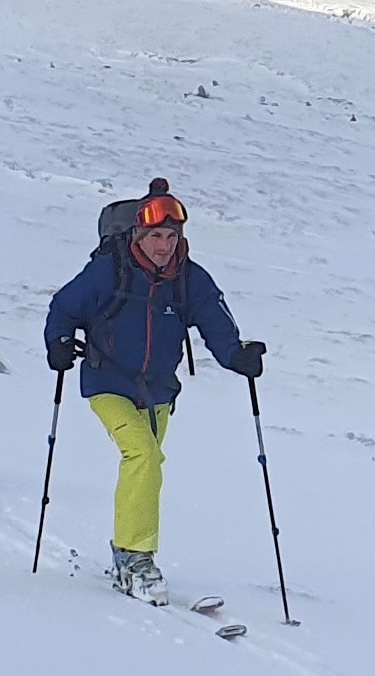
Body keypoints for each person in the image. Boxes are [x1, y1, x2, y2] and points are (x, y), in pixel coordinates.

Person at [43, 184, 263, 606]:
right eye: (156, 237)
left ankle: (124, 553)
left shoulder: (190, 278)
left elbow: (216, 323)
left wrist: (237, 356)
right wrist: (58, 342)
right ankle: (138, 559)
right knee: (143, 456)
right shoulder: (108, 270)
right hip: (106, 382)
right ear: (137, 238)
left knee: (145, 468)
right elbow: (63, 308)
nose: (165, 246)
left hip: (160, 389)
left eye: (172, 236)